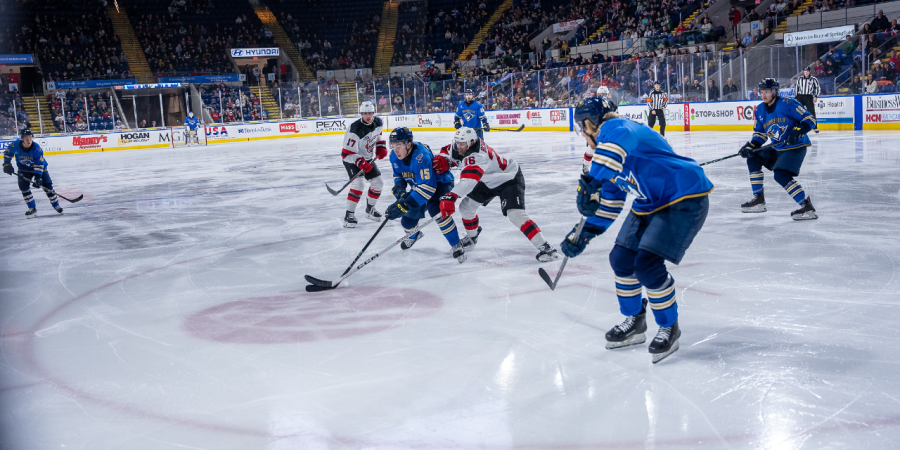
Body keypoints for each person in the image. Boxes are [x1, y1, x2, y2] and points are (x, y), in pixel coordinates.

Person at [560, 98, 714, 364]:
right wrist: (583, 233)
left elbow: (617, 143)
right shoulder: (607, 155)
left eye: (581, 130)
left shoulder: (618, 128)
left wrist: (593, 180)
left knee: (647, 265)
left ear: (589, 124)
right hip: (650, 202)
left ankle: (669, 327)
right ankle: (635, 320)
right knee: (621, 259)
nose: (583, 138)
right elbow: (609, 204)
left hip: (683, 198)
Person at [433, 127, 560, 262]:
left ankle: (546, 248)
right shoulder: (461, 145)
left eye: (462, 144)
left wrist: (452, 196)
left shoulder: (479, 156)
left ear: (471, 143)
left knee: (515, 214)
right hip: (488, 179)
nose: (459, 146)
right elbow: (447, 152)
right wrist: (444, 159)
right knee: (466, 207)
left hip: (509, 178)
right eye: (457, 143)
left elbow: (468, 180)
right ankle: (472, 237)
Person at [739, 78, 817, 221]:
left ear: (775, 92)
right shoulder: (760, 109)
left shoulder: (788, 104)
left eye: (767, 92)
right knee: (753, 157)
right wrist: (751, 146)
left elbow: (810, 119)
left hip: (795, 146)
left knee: (780, 175)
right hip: (778, 147)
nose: (764, 95)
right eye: (762, 92)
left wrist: (799, 129)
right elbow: (760, 134)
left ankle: (806, 206)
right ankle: (759, 199)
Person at [385, 127, 466, 263]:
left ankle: (456, 244)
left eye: (398, 145)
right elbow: (398, 175)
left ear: (408, 144)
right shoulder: (394, 156)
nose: (395, 149)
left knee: (436, 210)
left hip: (441, 183)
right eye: (393, 146)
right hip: (421, 185)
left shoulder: (421, 156)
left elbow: (428, 188)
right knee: (407, 221)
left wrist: (406, 203)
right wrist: (400, 189)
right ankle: (414, 236)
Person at [340, 101, 387, 228]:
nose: (368, 116)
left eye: (370, 113)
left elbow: (378, 135)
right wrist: (360, 162)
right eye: (365, 113)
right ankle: (349, 215)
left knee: (379, 183)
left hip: (367, 159)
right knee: (359, 184)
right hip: (352, 159)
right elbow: (347, 153)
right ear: (361, 114)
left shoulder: (378, 122)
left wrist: (381, 146)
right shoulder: (355, 129)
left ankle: (370, 209)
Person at [2, 129, 63, 218]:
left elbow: (39, 164)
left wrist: (38, 178)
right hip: (23, 169)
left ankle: (56, 205)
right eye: (26, 138)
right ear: (22, 138)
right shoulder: (14, 145)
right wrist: (7, 164)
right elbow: (7, 154)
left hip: (41, 169)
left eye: (30, 137)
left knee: (48, 187)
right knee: (24, 188)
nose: (29, 140)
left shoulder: (37, 149)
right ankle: (32, 208)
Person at [794, 67, 821, 134]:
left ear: (809, 72)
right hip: (800, 96)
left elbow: (817, 88)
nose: (806, 72)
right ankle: (796, 126)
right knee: (798, 111)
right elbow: (796, 88)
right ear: (803, 72)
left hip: (809, 97)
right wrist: (796, 97)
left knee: (812, 112)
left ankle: (815, 127)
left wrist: (816, 96)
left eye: (807, 71)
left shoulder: (813, 79)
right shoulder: (799, 79)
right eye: (805, 71)